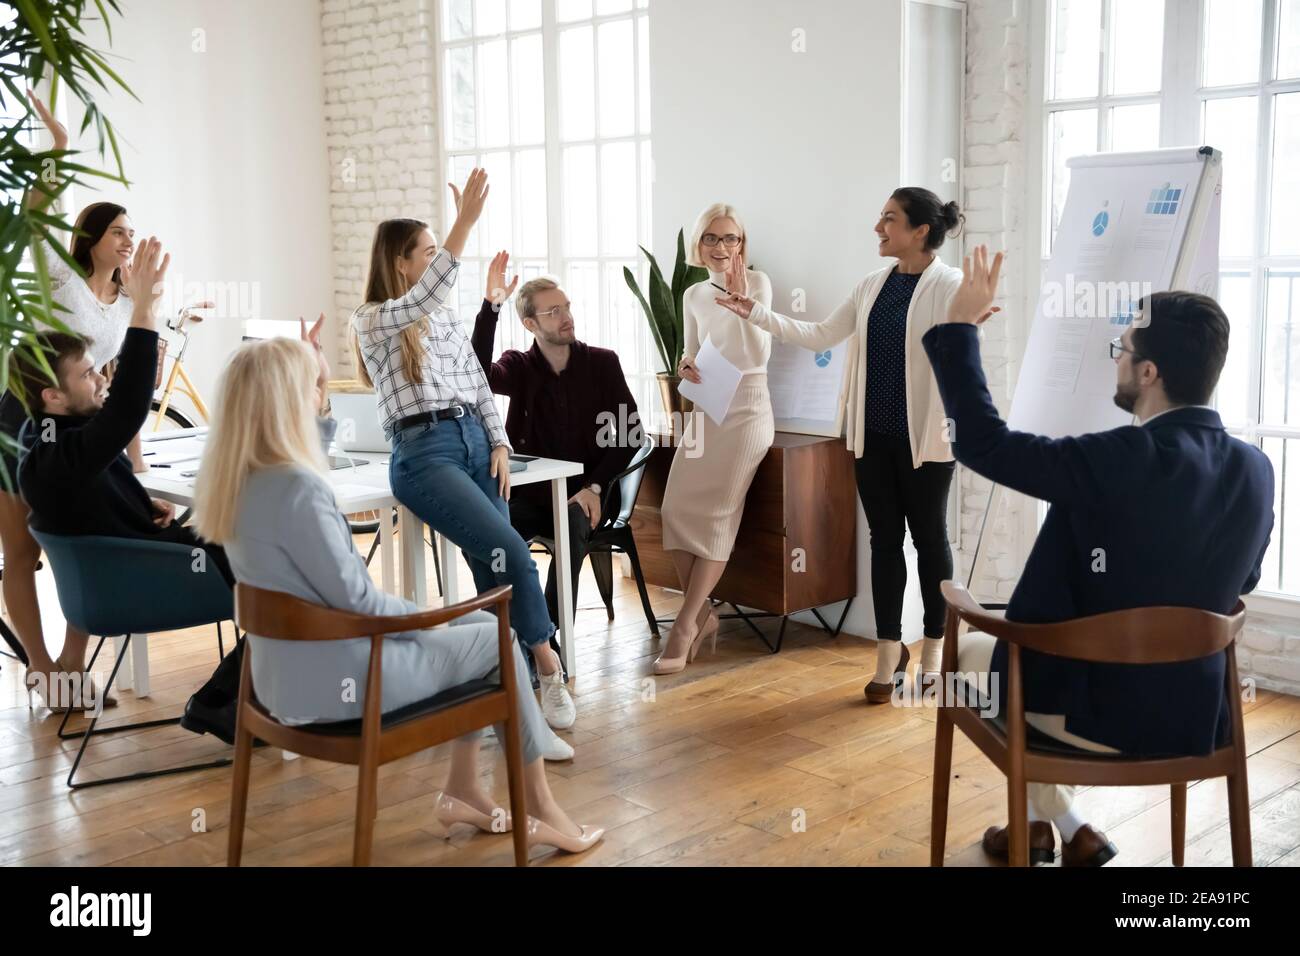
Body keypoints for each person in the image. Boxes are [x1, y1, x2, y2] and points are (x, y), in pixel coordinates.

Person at [922, 246, 1273, 866]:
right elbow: (1241, 579)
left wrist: (958, 329)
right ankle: (1053, 825)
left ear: (1148, 373)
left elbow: (984, 444)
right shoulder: (1257, 469)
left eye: (1123, 351)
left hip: (1098, 716)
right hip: (1196, 714)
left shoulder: (1118, 458)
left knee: (978, 655)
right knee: (1046, 638)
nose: (1117, 361)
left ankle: (1048, 822)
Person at [193, 323, 603, 854]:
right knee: (496, 636)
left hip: (280, 680)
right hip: (344, 679)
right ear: (293, 401)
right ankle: (540, 809)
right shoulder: (299, 489)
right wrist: (424, 621)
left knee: (477, 625)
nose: (327, 399)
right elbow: (360, 604)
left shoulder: (241, 480)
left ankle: (465, 793)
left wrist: (436, 622)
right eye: (318, 389)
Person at [715, 188, 966, 701]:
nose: (878, 227)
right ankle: (889, 652)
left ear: (920, 230)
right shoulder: (872, 286)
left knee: (930, 541)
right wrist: (753, 312)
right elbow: (819, 334)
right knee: (884, 543)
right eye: (880, 218)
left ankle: (936, 649)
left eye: (889, 220)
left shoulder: (948, 285)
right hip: (870, 437)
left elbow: (964, 337)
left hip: (927, 441)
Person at [349, 169, 577, 731]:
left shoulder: (445, 321)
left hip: (476, 445)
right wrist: (464, 223)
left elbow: (476, 384)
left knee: (492, 566)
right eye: (426, 252)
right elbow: (426, 298)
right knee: (514, 552)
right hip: (424, 453)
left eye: (437, 250)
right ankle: (548, 666)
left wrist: (498, 442)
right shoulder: (374, 320)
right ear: (400, 263)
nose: (435, 259)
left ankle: (507, 685)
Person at [13, 237, 241, 740]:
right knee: (290, 576)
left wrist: (139, 505)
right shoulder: (61, 454)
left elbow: (95, 481)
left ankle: (233, 697)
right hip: (153, 578)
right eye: (88, 374)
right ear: (52, 394)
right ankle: (222, 701)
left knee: (278, 554)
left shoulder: (50, 439)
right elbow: (128, 407)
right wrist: (144, 308)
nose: (100, 380)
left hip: (142, 558)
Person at [0, 92, 143, 706]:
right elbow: (33, 215)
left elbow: (123, 385)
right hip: (23, 419)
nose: (128, 240)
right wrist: (56, 148)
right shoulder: (61, 275)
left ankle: (71, 664)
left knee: (86, 538)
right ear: (91, 239)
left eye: (132, 232)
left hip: (85, 428)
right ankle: (41, 667)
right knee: (23, 549)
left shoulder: (129, 302)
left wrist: (136, 462)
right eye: (117, 231)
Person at [470, 256, 640, 635]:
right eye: (553, 311)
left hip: (585, 497)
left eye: (566, 307)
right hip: (529, 497)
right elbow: (477, 374)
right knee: (479, 530)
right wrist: (491, 308)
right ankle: (498, 631)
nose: (566, 317)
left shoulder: (602, 364)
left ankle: (545, 634)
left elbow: (631, 434)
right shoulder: (518, 367)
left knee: (572, 521)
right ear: (530, 324)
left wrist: (594, 486)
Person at [655, 203, 775, 674]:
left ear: (743, 245)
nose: (722, 247)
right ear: (698, 245)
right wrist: (686, 365)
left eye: (732, 239)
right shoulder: (691, 294)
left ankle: (684, 626)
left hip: (747, 408)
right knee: (674, 509)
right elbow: (690, 349)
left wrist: (744, 303)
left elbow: (757, 352)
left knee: (719, 516)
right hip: (707, 402)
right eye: (712, 238)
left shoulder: (757, 283)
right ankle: (702, 615)